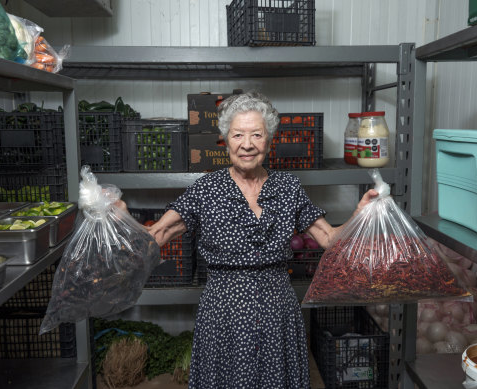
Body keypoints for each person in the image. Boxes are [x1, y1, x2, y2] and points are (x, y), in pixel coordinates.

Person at [120, 91, 377, 388]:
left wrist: (359, 215)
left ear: (268, 140)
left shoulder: (287, 187)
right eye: (237, 135)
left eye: (256, 135)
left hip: (276, 309)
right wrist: (121, 220)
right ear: (225, 140)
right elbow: (157, 235)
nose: (246, 144)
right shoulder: (207, 189)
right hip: (224, 311)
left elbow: (330, 238)